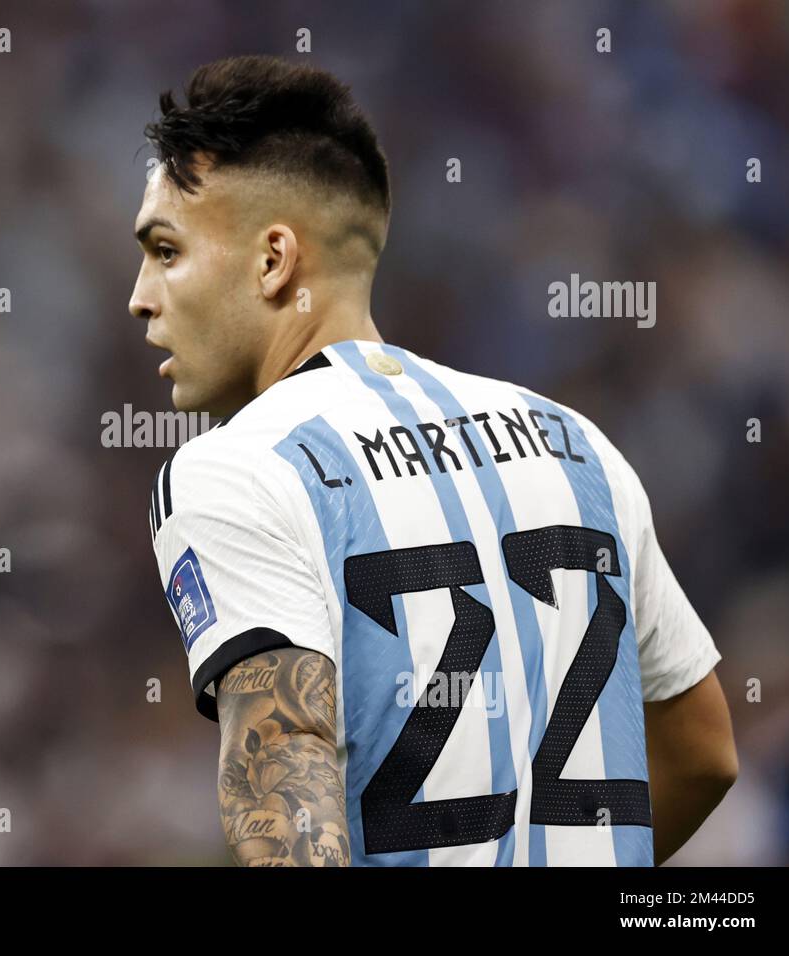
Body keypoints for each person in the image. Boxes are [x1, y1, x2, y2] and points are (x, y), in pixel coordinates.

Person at [131, 55, 736, 866]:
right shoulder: (575, 443)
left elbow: (291, 836)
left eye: (165, 250)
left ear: (273, 260)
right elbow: (704, 751)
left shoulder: (235, 469)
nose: (140, 294)